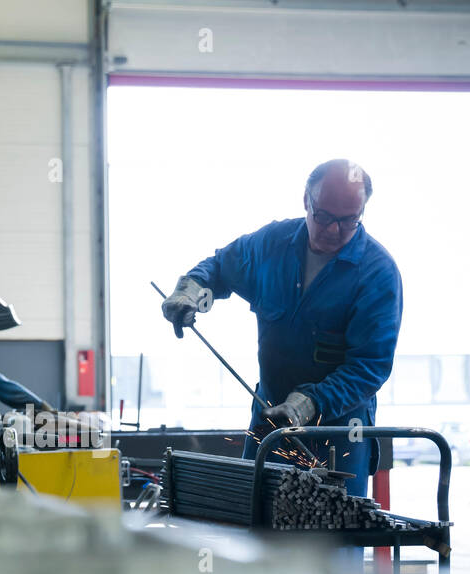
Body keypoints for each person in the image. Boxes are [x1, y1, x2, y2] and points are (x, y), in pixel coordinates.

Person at [160, 159, 402, 500]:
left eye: (349, 221)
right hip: (270, 419)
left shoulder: (377, 273)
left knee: (332, 539)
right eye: (325, 217)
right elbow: (218, 267)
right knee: (260, 531)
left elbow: (370, 365)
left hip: (337, 434)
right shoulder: (271, 245)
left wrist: (311, 402)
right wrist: (191, 289)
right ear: (307, 200)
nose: (334, 230)